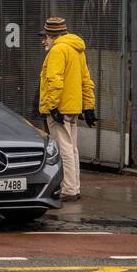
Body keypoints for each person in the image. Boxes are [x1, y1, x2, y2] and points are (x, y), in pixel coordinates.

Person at [38, 16, 96, 204]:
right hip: (73, 107)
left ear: (53, 36)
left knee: (63, 149)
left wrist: (52, 106)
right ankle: (75, 186)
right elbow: (86, 81)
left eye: (45, 36)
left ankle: (69, 189)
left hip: (60, 109)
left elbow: (54, 81)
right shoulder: (76, 49)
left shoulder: (57, 51)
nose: (43, 41)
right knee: (72, 149)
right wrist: (89, 107)